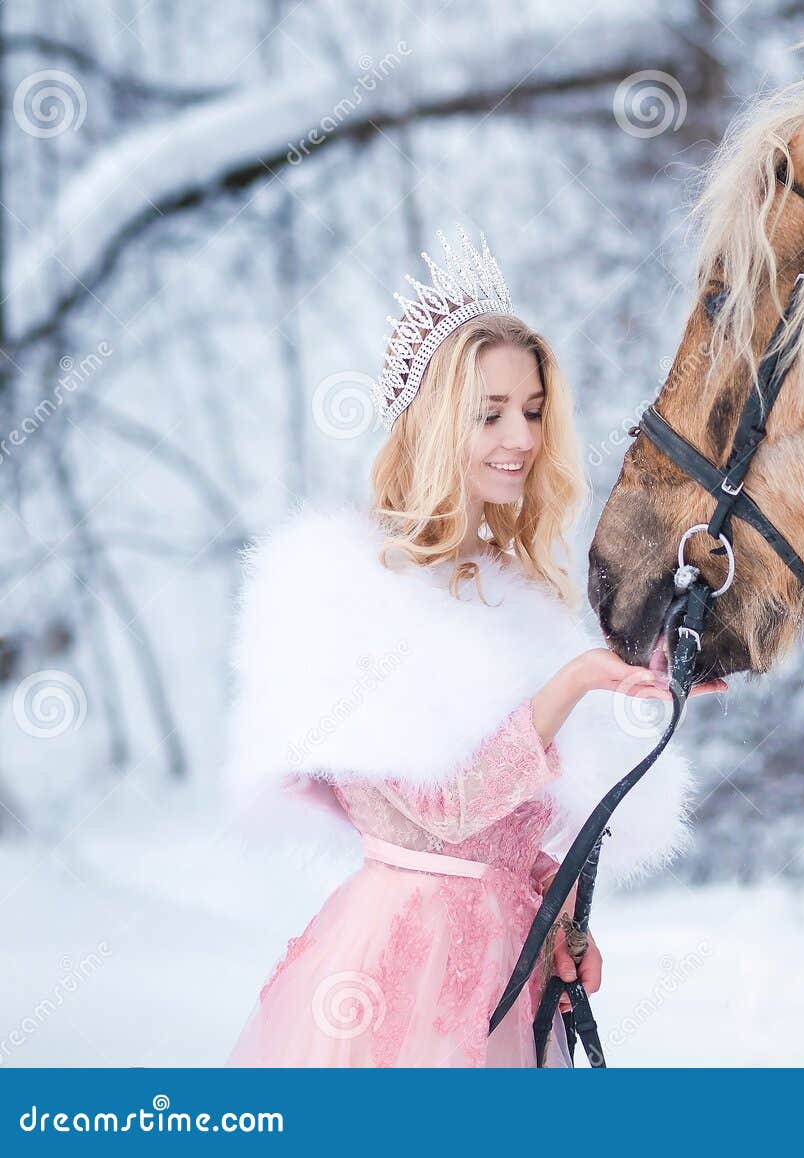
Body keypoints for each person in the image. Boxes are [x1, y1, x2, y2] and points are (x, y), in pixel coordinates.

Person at [224, 229, 718, 1066]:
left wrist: (556, 914)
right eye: (489, 414)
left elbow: (509, 833)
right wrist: (572, 685)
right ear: (431, 420)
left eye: (530, 411)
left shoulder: (516, 596)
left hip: (509, 971)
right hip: (400, 973)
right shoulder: (346, 590)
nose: (519, 438)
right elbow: (440, 813)